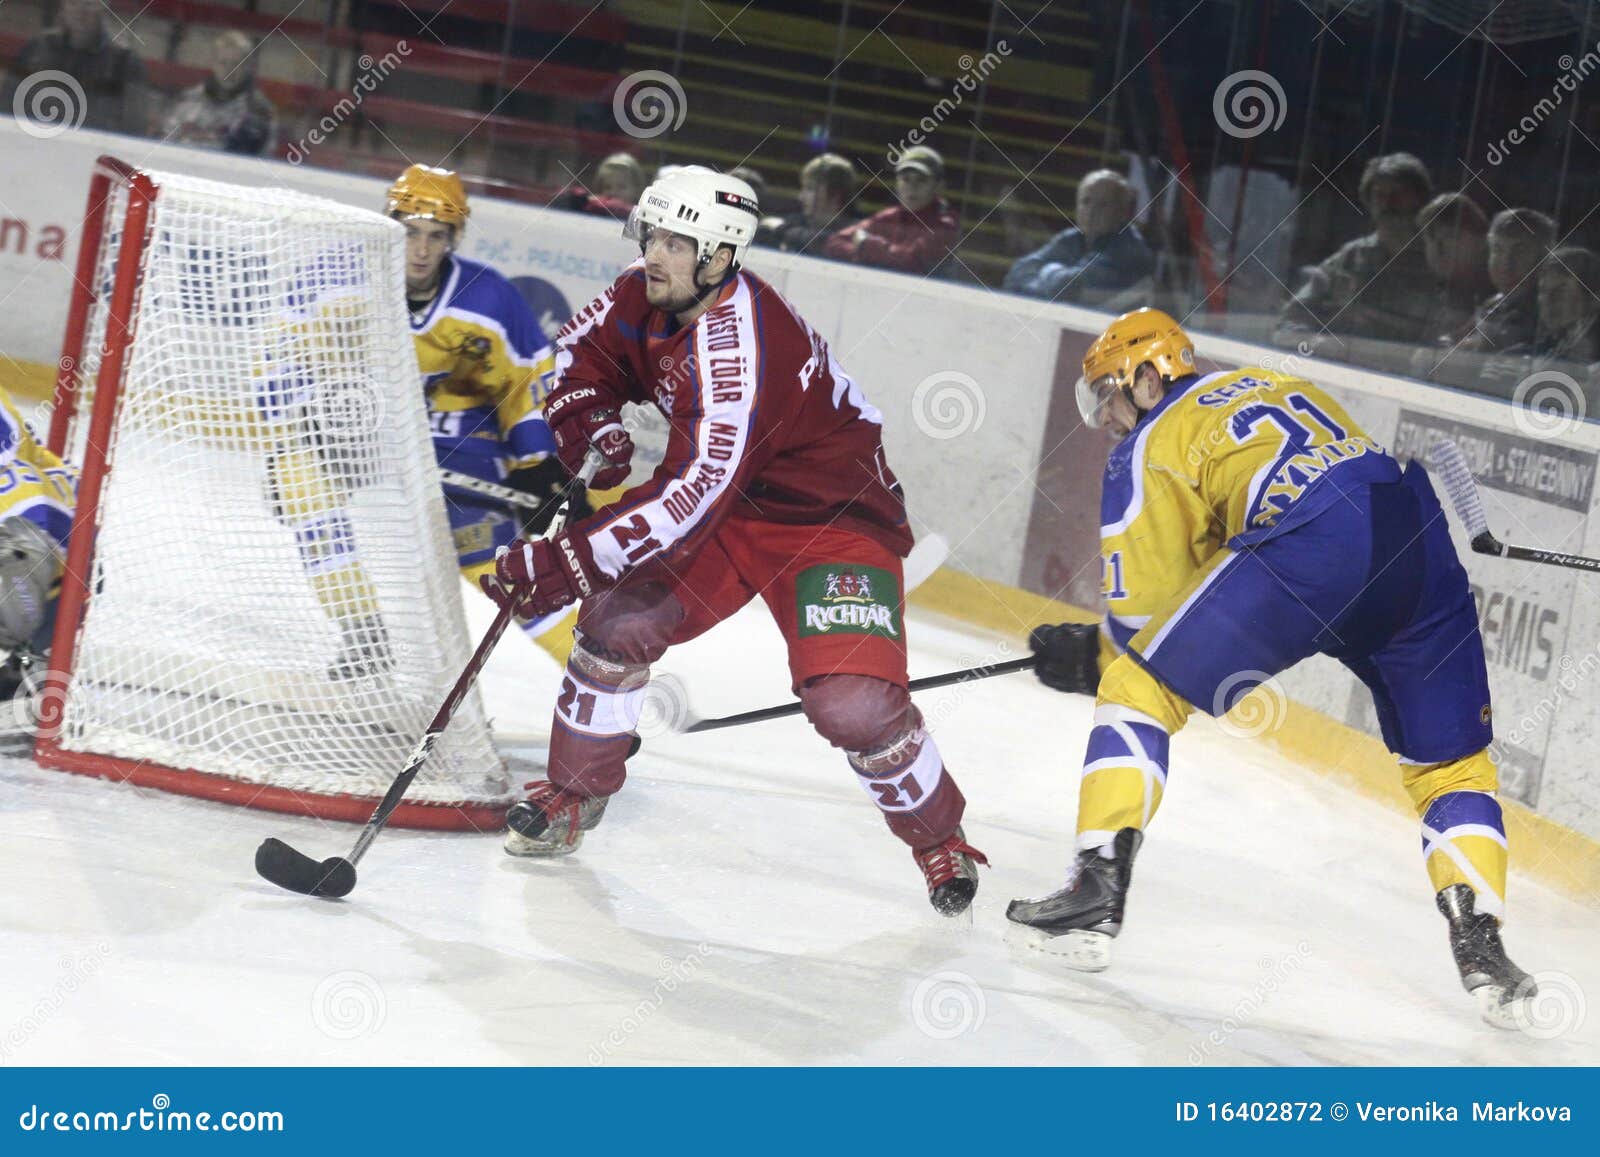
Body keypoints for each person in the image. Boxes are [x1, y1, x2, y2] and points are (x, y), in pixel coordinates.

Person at [1007, 308, 1536, 1028]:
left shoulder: (1150, 444)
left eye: (1110, 391)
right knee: (1452, 766)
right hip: (1408, 527)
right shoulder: (1274, 379)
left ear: (1150, 375)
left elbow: (1144, 628)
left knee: (1136, 688)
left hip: (1314, 543)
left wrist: (1089, 654)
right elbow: (1340, 473)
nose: (1104, 415)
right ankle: (1483, 948)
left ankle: (1095, 892)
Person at [485, 166, 986, 915]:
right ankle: (573, 794)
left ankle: (938, 836)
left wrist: (569, 558)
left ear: (720, 257)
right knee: (619, 621)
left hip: (834, 525)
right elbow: (577, 356)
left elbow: (693, 492)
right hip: (732, 510)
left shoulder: (740, 347)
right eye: (651, 234)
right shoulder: (644, 290)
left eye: (676, 242)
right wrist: (587, 416)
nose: (654, 253)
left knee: (852, 705)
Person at [385, 164, 591, 667]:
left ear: (453, 238)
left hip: (465, 458)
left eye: (436, 236)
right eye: (410, 232)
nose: (420, 250)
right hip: (376, 455)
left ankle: (598, 684)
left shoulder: (487, 295)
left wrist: (541, 466)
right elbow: (297, 364)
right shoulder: (351, 283)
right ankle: (361, 634)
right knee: (301, 485)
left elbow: (530, 386)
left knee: (507, 578)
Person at [1274, 152, 1436, 351]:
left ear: (1419, 199)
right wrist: (1319, 345)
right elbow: (1291, 319)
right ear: (1369, 200)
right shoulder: (1349, 258)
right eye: (1379, 194)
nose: (1388, 203)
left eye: (1399, 193)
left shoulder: (1437, 260)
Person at [0, 387, 78, 701]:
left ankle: (33, 654)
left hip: (47, 547)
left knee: (21, 557)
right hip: (52, 532)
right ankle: (32, 656)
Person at [1001, 169, 1154, 306]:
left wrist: (1048, 270)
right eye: (1086, 202)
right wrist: (1053, 283)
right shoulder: (1072, 238)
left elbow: (1068, 288)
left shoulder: (1130, 250)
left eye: (1103, 204)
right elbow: (1016, 274)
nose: (1091, 212)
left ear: (1122, 212)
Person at [2, 0, 152, 136]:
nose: (80, 11)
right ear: (63, 7)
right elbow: (8, 108)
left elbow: (134, 129)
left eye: (88, 3)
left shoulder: (124, 63)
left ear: (104, 8)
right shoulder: (36, 50)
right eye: (73, 2)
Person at [823, 146, 959, 276]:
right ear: (897, 184)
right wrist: (865, 254)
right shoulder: (887, 216)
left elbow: (912, 262)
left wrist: (866, 246)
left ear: (938, 187)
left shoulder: (946, 225)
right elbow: (834, 243)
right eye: (906, 179)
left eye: (921, 180)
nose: (912, 187)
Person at [159, 29, 276, 155]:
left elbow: (264, 159)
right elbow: (165, 143)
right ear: (213, 63)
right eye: (223, 63)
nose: (229, 70)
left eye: (236, 64)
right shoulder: (189, 99)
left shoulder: (259, 111)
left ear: (247, 66)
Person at [1416, 192, 1492, 344]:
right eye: (1430, 239)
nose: (1438, 248)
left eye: (1450, 236)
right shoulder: (1423, 296)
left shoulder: (1497, 302)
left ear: (1481, 241)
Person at [758, 153, 856, 254]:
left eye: (810, 188)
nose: (801, 197)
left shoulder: (855, 235)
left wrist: (781, 229)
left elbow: (827, 242)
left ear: (835, 195)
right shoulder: (795, 221)